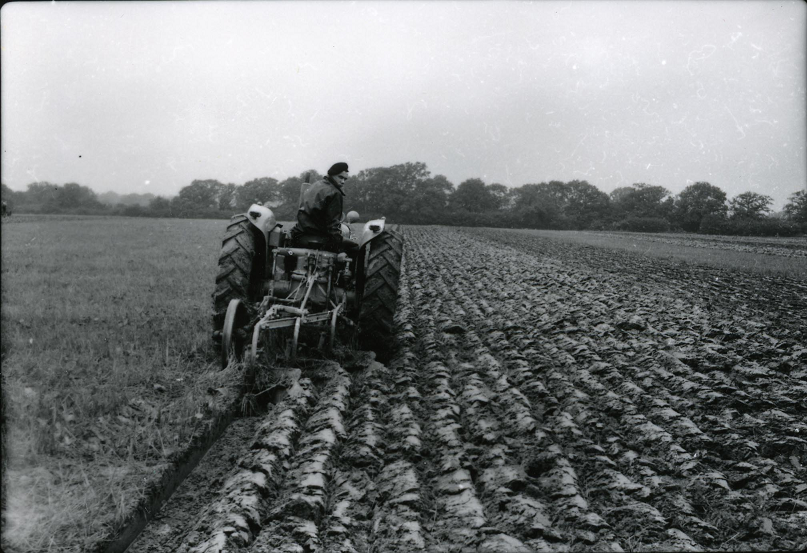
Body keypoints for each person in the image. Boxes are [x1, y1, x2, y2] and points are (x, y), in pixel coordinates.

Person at [290, 162, 359, 254]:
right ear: (332, 175)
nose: (343, 182)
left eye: (345, 179)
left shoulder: (316, 185)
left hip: (299, 235)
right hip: (319, 237)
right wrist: (338, 240)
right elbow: (332, 224)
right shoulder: (334, 193)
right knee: (354, 247)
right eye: (340, 177)